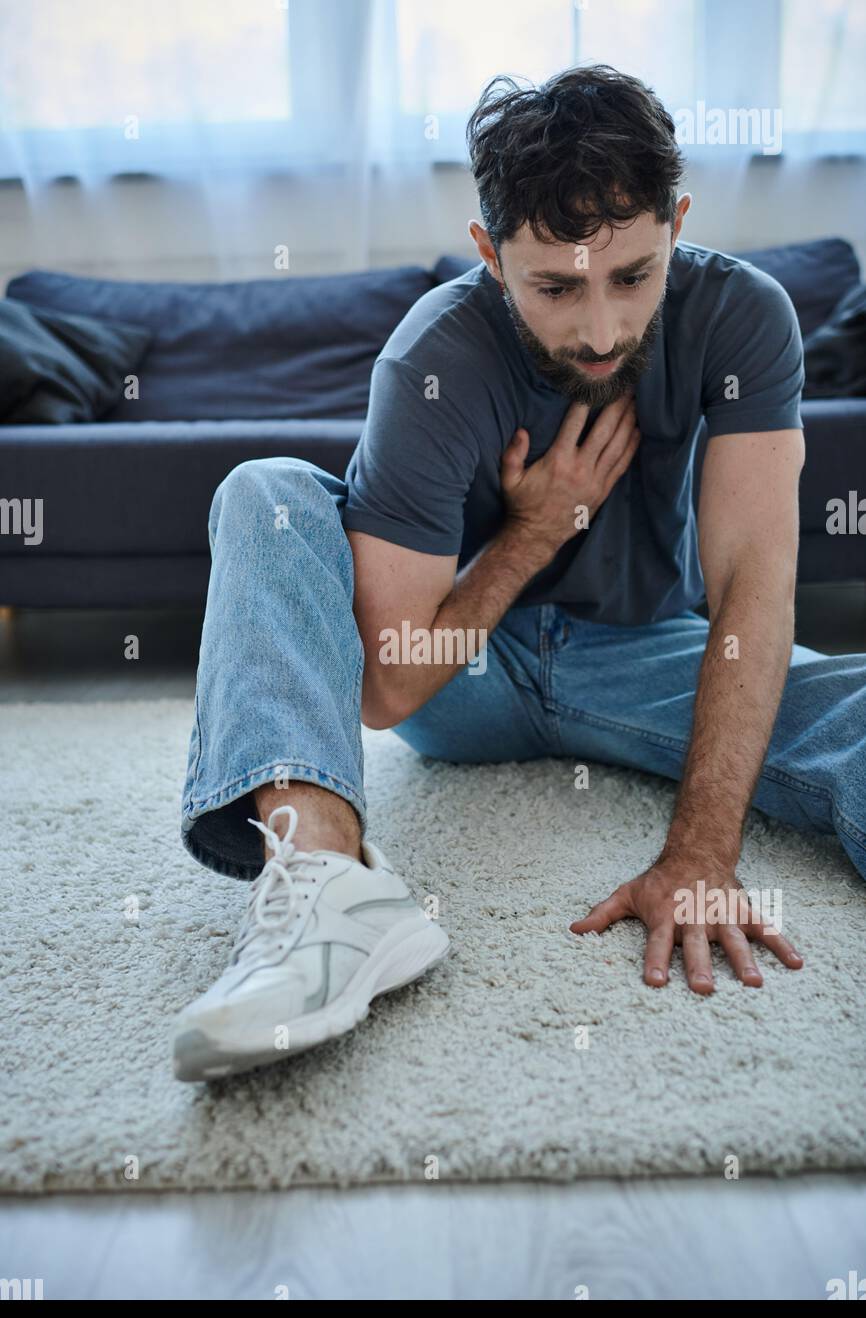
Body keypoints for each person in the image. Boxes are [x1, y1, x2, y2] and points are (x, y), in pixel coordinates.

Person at [174, 65, 866, 1083]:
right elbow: (389, 684)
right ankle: (327, 895)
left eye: (632, 276)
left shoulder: (742, 319)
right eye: (554, 287)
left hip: (641, 652)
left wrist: (700, 857)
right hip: (468, 670)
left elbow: (753, 589)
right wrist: (533, 534)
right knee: (265, 490)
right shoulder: (430, 360)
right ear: (490, 256)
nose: (599, 330)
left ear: (675, 222)